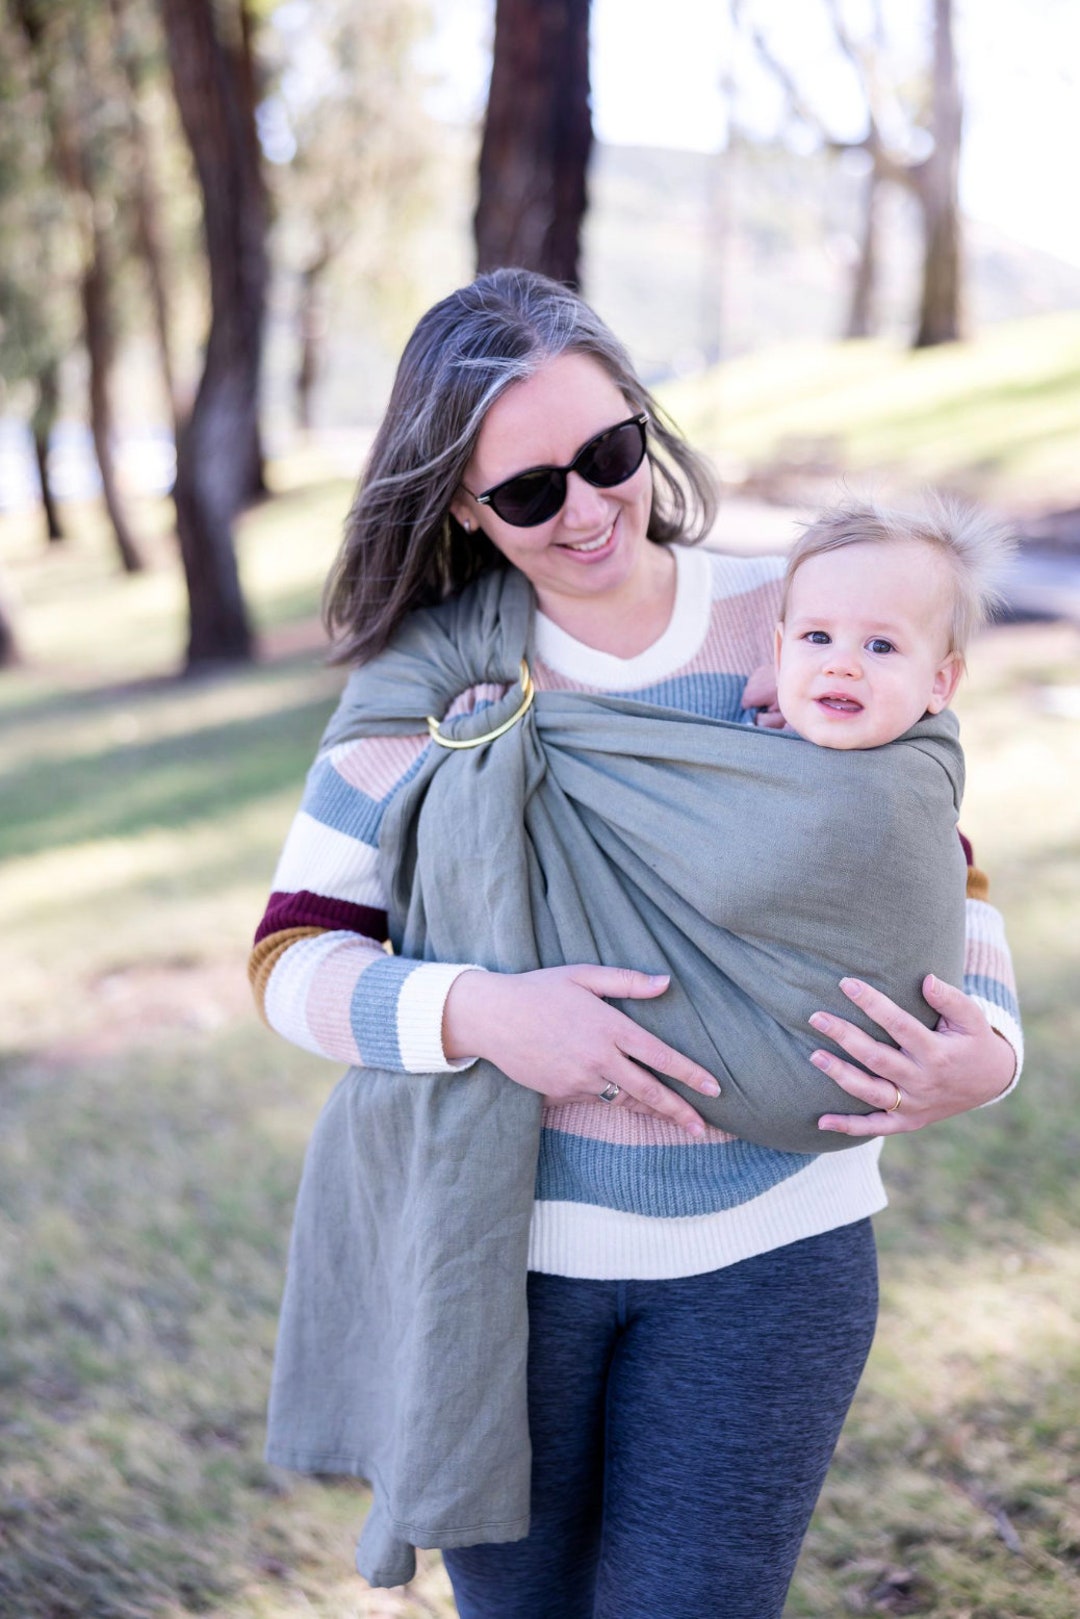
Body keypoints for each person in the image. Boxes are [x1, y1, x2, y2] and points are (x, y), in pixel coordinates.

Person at [251, 269, 1022, 1619]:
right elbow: (290, 961)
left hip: (774, 1253)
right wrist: (482, 1014)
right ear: (459, 505)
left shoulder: (792, 617)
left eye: (611, 454)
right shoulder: (428, 685)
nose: (594, 507)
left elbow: (927, 859)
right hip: (507, 1265)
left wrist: (991, 1049)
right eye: (533, 491)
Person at [771, 495, 1014, 749]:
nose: (841, 665)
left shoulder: (909, 776)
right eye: (818, 637)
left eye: (880, 646)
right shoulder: (749, 728)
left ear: (939, 682)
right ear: (780, 655)